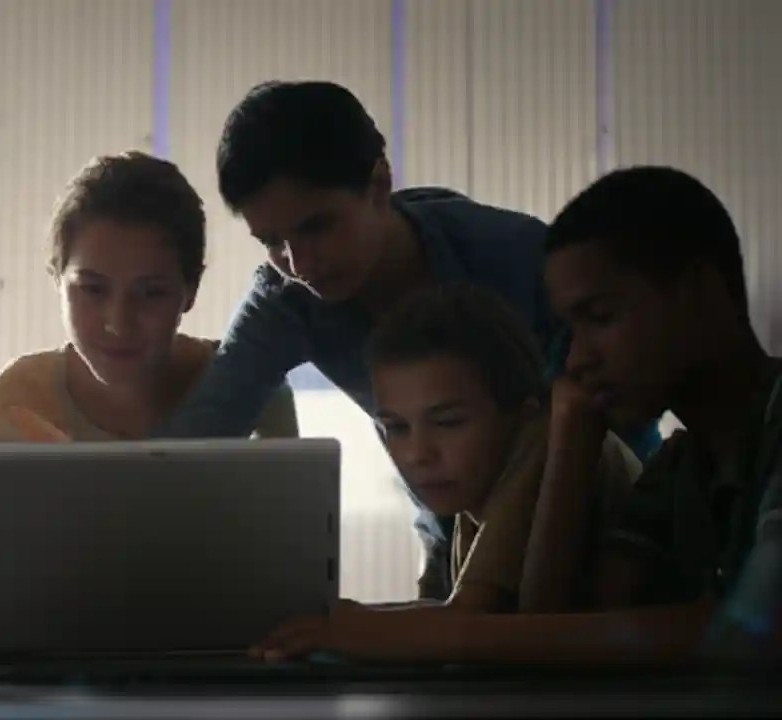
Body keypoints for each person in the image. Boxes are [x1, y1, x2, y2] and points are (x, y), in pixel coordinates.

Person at [251, 167, 782, 666]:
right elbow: (564, 626)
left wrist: (400, 634)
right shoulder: (680, 469)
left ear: (698, 291)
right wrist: (570, 437)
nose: (576, 361)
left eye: (599, 318)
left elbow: (746, 631)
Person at [153, 80, 658, 600]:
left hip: (617, 531)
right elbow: (197, 441)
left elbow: (616, 410)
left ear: (379, 185)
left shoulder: (519, 256)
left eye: (317, 227)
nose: (299, 264)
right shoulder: (286, 298)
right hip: (456, 544)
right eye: (272, 243)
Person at [0, 151, 295, 444]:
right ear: (57, 281)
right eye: (93, 290)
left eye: (151, 293)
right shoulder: (9, 406)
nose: (119, 324)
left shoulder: (252, 390)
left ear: (191, 290)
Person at [363, 283, 639, 614]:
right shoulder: (469, 498)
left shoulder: (547, 439)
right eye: (396, 428)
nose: (417, 455)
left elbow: (471, 618)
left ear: (520, 416)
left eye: (449, 422)